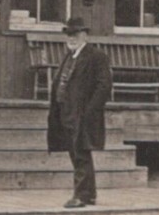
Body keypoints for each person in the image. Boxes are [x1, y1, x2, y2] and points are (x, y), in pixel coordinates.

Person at [47, 17, 111, 209]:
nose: (71, 38)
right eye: (69, 34)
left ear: (84, 35)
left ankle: (81, 195)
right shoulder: (69, 56)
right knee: (75, 152)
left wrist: (90, 111)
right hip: (66, 110)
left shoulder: (96, 56)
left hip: (82, 113)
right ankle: (88, 194)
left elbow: (104, 86)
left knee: (81, 152)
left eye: (75, 34)